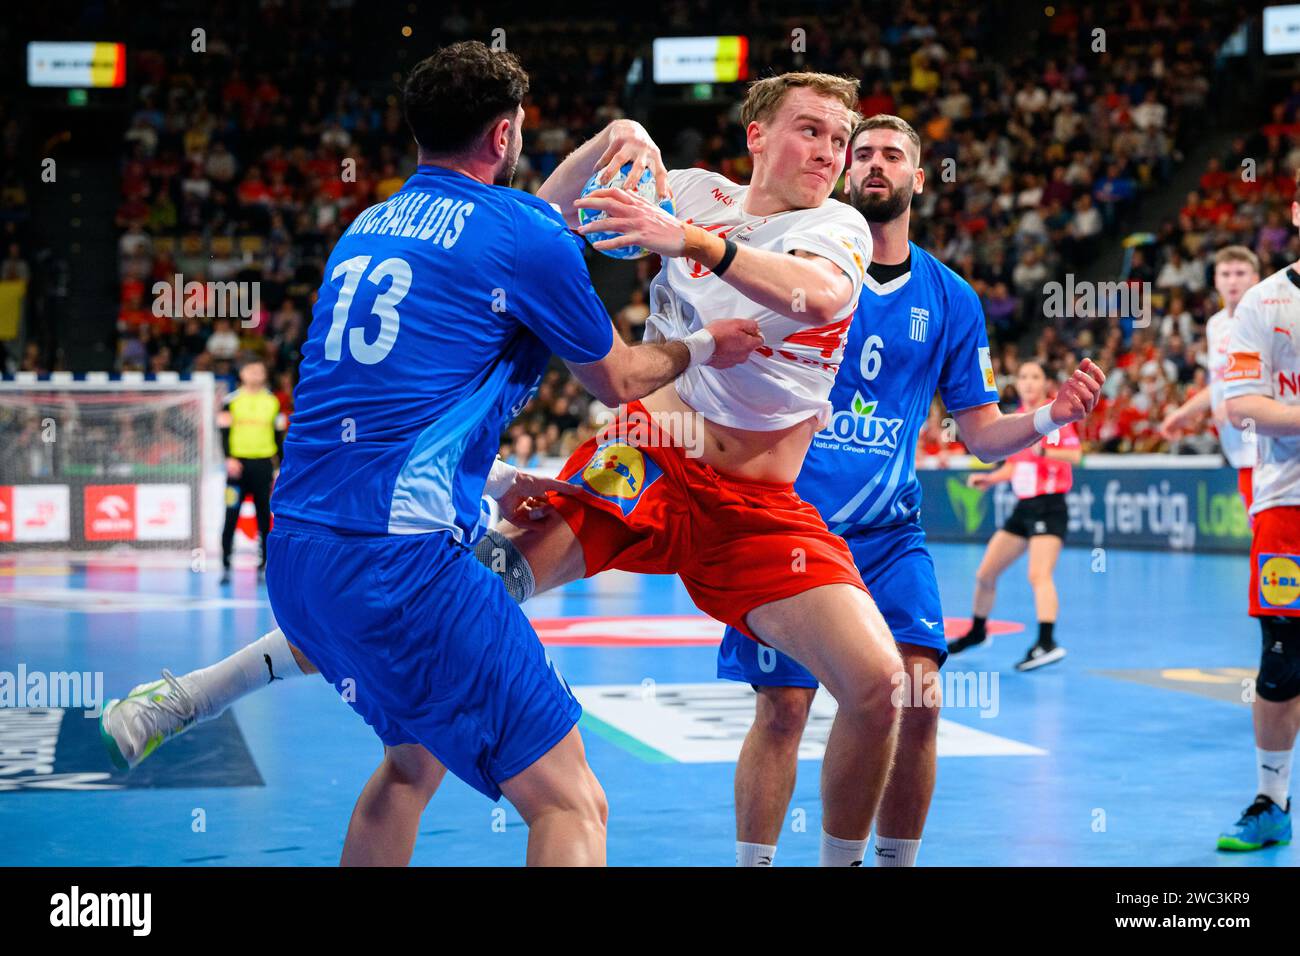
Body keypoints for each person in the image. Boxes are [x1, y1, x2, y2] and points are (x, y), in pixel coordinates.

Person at [102, 41, 761, 867]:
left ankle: (191, 695)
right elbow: (620, 378)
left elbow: (394, 402)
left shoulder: (370, 226)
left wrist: (609, 138)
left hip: (301, 560)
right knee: (571, 803)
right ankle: (193, 695)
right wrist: (707, 343)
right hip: (403, 572)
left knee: (412, 766)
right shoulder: (520, 239)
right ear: (505, 136)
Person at [713, 116, 1106, 867]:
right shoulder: (792, 265)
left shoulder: (951, 297)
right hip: (787, 529)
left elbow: (982, 432)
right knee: (783, 709)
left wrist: (1052, 415)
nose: (875, 165)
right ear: (843, 171)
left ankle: (871, 862)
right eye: (861, 154)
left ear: (919, 179)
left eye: (893, 155)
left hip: (889, 536)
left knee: (919, 700)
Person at [1217, 189, 1300, 851]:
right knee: (1280, 659)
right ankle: (1272, 800)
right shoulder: (1264, 303)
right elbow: (1244, 404)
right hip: (1286, 505)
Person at [948, 360, 1082, 671]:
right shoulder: (1020, 416)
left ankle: (1047, 643)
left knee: (1038, 575)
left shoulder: (1055, 415)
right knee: (985, 574)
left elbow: (1075, 455)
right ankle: (978, 631)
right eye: (1023, 376)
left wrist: (1045, 453)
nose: (1029, 382)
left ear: (1045, 383)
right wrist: (990, 479)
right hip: (1023, 509)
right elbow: (1017, 465)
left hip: (1049, 506)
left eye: (1035, 376)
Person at [1159, 246, 1261, 508]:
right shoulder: (1216, 324)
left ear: (1256, 279)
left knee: (1274, 538)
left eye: (1241, 273)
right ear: (1215, 280)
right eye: (1225, 274)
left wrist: (1235, 401)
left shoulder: (1265, 319)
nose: (1232, 280)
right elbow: (1219, 384)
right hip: (1235, 445)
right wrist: (1182, 415)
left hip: (1266, 446)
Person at [218, 358, 286, 585]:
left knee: (264, 517)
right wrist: (229, 458)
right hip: (238, 467)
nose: (256, 374)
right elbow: (224, 432)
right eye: (251, 369)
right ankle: (225, 566)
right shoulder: (231, 401)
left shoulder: (272, 401)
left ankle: (263, 566)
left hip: (263, 465)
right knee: (231, 515)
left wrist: (278, 464)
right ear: (242, 373)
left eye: (260, 370)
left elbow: (278, 436)